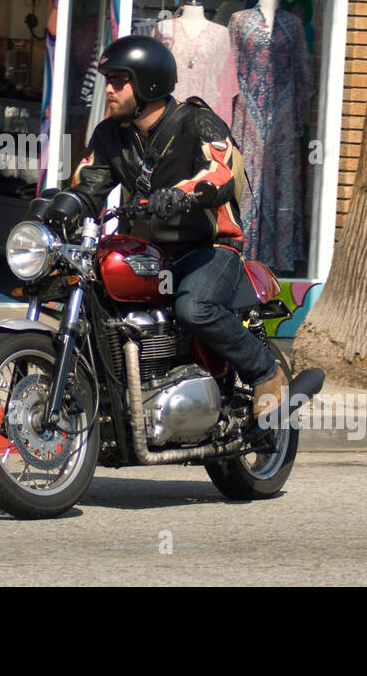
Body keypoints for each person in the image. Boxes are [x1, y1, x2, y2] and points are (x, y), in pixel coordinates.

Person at [55, 35, 290, 416]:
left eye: (119, 80)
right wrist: (57, 209)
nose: (109, 90)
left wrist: (182, 194)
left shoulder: (196, 121)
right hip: (150, 252)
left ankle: (266, 371)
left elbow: (223, 171)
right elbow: (89, 186)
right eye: (107, 80)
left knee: (194, 308)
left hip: (208, 249)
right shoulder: (110, 134)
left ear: (148, 83)